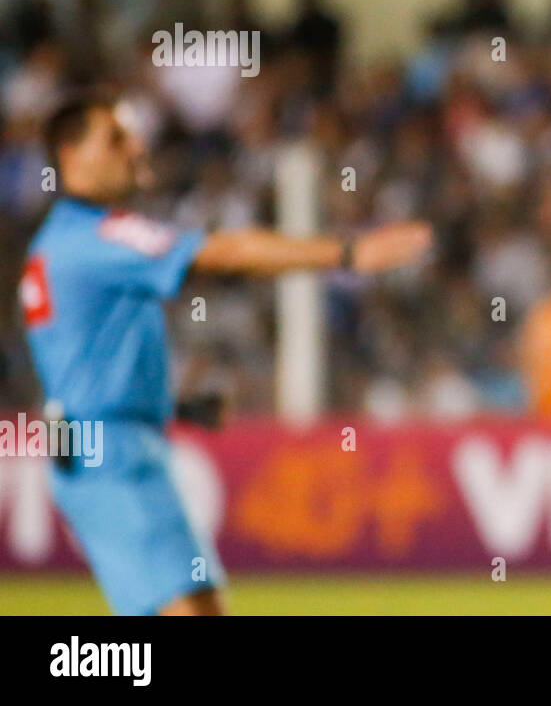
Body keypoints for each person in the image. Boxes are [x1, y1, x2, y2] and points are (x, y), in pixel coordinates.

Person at [21, 92, 432, 615]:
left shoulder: (62, 244)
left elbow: (81, 364)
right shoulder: (98, 237)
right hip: (111, 456)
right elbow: (226, 252)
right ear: (71, 156)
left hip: (112, 444)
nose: (135, 146)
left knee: (204, 608)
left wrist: (171, 408)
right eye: (116, 138)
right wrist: (347, 252)